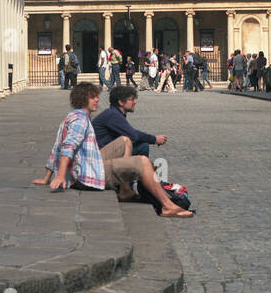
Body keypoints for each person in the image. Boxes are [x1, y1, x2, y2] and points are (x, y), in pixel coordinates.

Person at [33, 83, 192, 217]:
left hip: (88, 163)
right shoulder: (81, 120)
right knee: (142, 161)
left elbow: (56, 147)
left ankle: (125, 189)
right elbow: (67, 147)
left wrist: (47, 176)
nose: (97, 100)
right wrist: (60, 175)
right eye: (93, 97)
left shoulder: (73, 116)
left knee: (125, 140)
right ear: (83, 99)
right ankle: (167, 205)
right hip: (85, 175)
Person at [93, 84, 168, 161]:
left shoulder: (113, 113)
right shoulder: (113, 115)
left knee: (141, 146)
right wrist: (154, 139)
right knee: (143, 147)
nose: (135, 102)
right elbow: (133, 135)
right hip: (100, 156)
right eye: (132, 99)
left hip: (104, 150)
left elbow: (130, 132)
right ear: (121, 102)